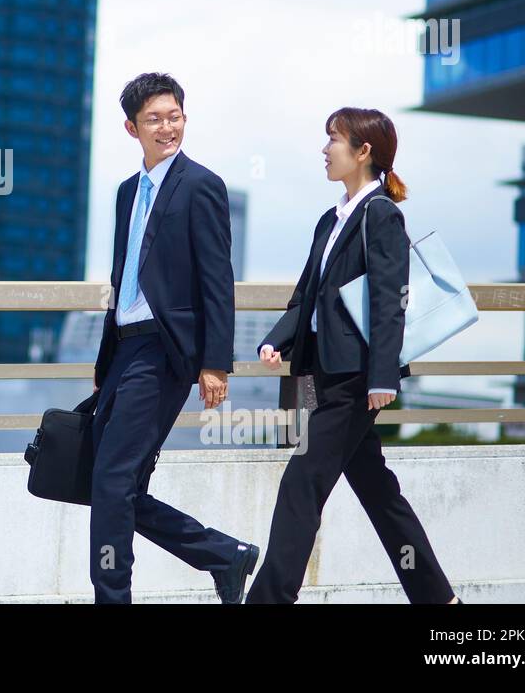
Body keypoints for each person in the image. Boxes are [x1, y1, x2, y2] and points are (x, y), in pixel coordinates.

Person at [245, 107, 461, 604]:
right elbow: (305, 296)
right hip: (322, 370)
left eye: (334, 141)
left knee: (301, 485)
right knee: (379, 493)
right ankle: (439, 600)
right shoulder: (332, 218)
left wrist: (382, 376)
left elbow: (391, 300)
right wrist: (276, 339)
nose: (325, 150)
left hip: (355, 378)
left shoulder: (381, 213)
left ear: (363, 152)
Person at [90, 72, 259, 604]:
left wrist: (216, 362)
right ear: (131, 128)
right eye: (154, 120)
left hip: (166, 352)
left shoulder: (201, 185)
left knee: (112, 480)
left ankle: (112, 599)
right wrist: (105, 358)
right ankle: (222, 555)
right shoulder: (126, 193)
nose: (167, 127)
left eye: (175, 116)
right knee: (116, 484)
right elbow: (123, 278)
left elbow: (217, 279)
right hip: (125, 348)